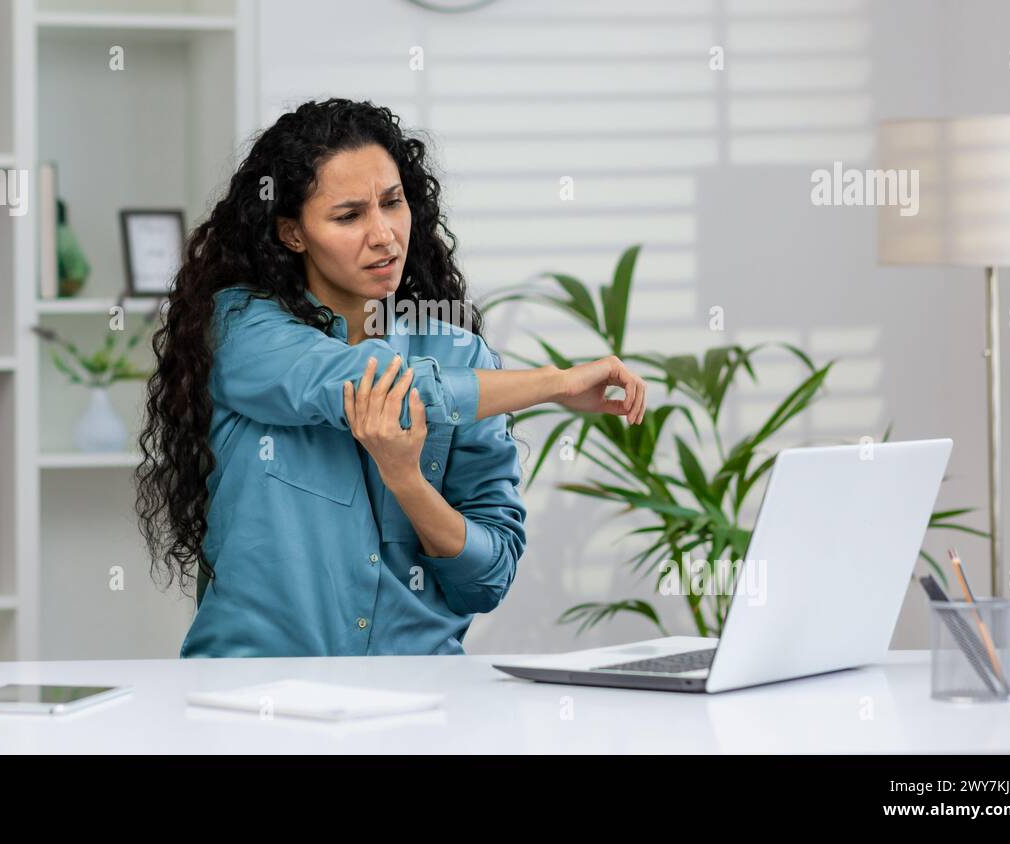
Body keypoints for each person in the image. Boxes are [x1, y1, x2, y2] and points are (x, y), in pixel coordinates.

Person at [135, 98, 647, 658]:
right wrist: (557, 384)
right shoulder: (241, 329)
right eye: (349, 215)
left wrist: (408, 481)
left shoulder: (458, 351)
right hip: (256, 696)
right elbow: (377, 386)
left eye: (392, 202)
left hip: (421, 700)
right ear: (292, 234)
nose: (384, 235)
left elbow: (486, 579)